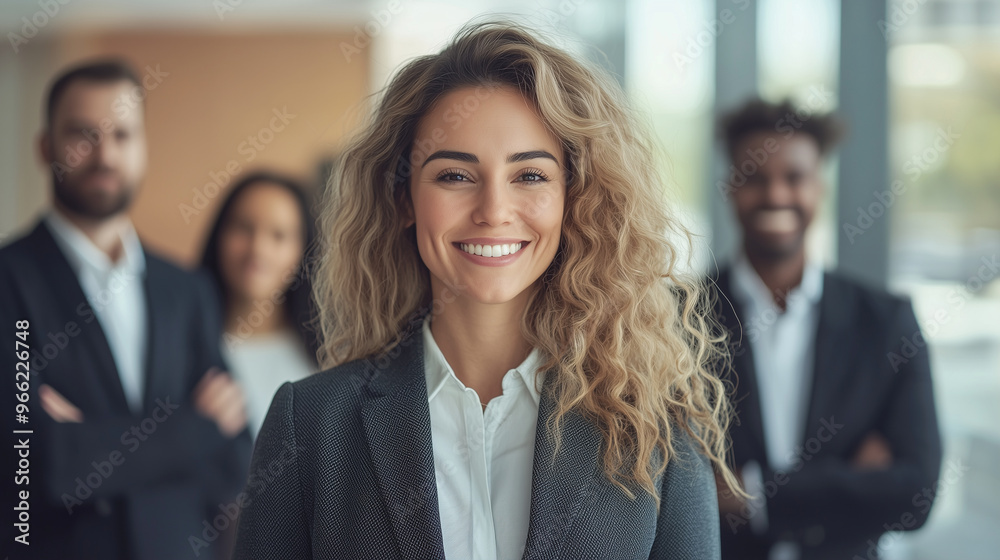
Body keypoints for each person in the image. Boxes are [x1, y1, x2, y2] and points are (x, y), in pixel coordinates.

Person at [233, 21, 742, 560]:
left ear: (575, 198)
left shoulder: (655, 431)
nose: (494, 211)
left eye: (530, 176)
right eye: (454, 175)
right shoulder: (309, 424)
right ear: (403, 198)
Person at [0, 59, 251, 560]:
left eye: (122, 134)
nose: (105, 153)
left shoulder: (187, 290)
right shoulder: (9, 281)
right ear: (45, 147)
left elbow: (236, 458)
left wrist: (88, 442)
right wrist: (191, 428)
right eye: (83, 134)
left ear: (143, 147)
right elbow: (33, 464)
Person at [710, 99, 942, 560]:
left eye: (794, 177)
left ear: (820, 188)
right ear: (731, 187)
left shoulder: (886, 322)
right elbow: (656, 481)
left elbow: (915, 493)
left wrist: (750, 493)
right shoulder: (675, 317)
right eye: (756, 177)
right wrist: (850, 480)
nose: (776, 195)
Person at [200, 171, 318, 439]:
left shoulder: (331, 353)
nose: (258, 249)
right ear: (219, 236)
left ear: (303, 250)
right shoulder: (179, 346)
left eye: (278, 235)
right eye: (243, 228)